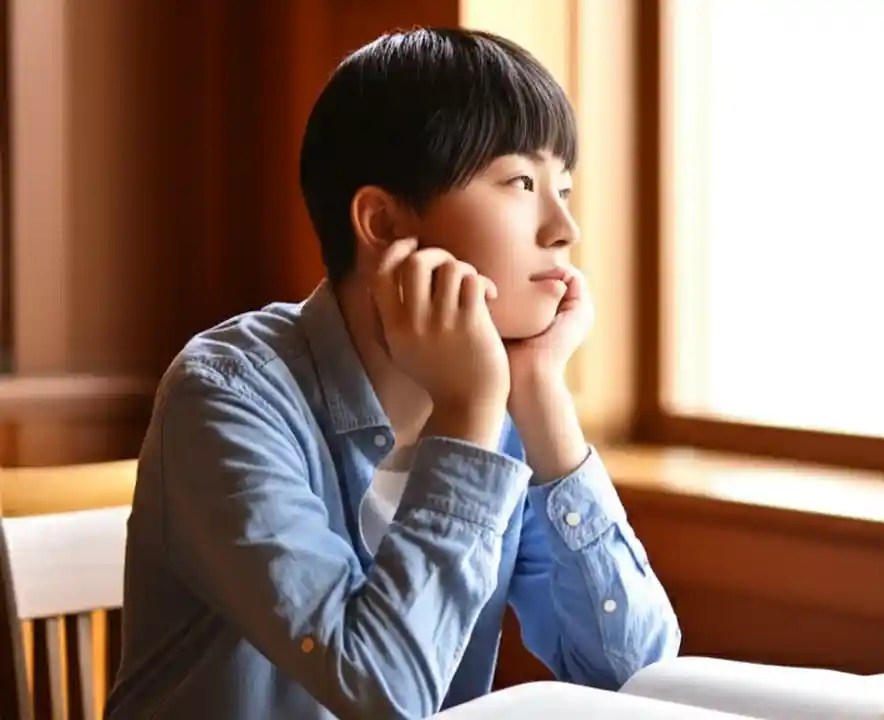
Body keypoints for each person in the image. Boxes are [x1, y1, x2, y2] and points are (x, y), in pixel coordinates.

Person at [105, 27, 681, 720]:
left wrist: (542, 397)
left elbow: (638, 677)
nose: (565, 228)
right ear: (381, 223)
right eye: (522, 182)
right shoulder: (227, 396)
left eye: (564, 187)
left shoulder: (503, 401)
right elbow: (381, 695)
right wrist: (467, 417)